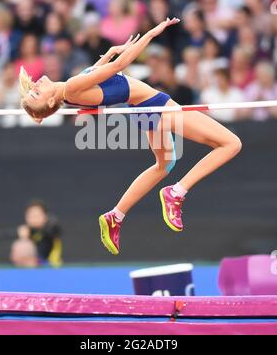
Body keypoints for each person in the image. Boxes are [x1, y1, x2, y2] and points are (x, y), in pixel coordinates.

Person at [19, 18, 242, 255]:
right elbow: (119, 67)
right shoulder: (71, 88)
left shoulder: (70, 89)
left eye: (32, 90)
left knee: (164, 164)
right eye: (36, 94)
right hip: (156, 106)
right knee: (230, 143)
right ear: (51, 101)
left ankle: (116, 215)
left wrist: (109, 53)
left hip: (140, 110)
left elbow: (96, 74)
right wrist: (151, 34)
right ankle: (176, 192)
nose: (35, 86)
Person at [17, 200, 62, 266]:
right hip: (33, 269)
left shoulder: (51, 228)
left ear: (45, 216)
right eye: (30, 216)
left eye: (36, 215)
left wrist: (25, 239)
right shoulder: (28, 232)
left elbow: (53, 230)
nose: (34, 218)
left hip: (52, 268)